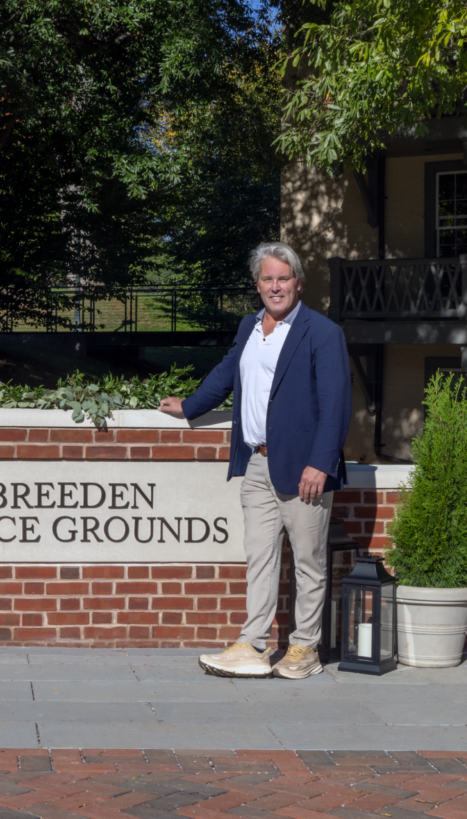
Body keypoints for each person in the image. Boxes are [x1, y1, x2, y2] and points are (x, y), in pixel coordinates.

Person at [158, 242, 351, 680]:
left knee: (308, 561)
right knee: (259, 558)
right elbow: (227, 375)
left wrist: (320, 463)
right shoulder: (249, 327)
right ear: (257, 284)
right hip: (258, 464)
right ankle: (253, 645)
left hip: (305, 469)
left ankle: (305, 649)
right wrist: (189, 406)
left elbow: (336, 404)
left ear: (298, 283)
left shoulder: (322, 333)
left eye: (284, 278)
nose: (276, 286)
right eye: (268, 279)